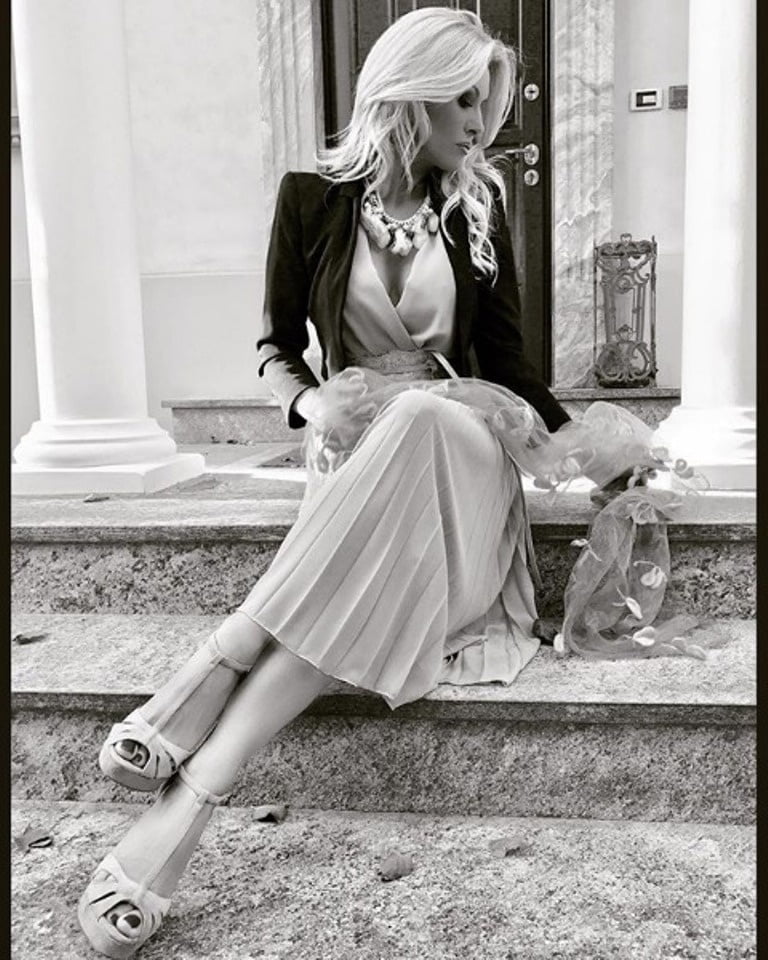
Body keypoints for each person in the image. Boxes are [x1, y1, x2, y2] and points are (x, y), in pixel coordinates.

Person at [77, 8, 638, 956]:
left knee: (421, 413)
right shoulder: (311, 199)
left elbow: (509, 363)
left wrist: (592, 448)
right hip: (353, 461)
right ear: (409, 95)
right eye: (464, 99)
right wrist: (309, 404)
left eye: (487, 102)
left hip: (462, 453)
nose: (482, 123)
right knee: (365, 578)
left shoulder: (478, 208)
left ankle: (211, 670)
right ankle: (183, 812)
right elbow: (274, 346)